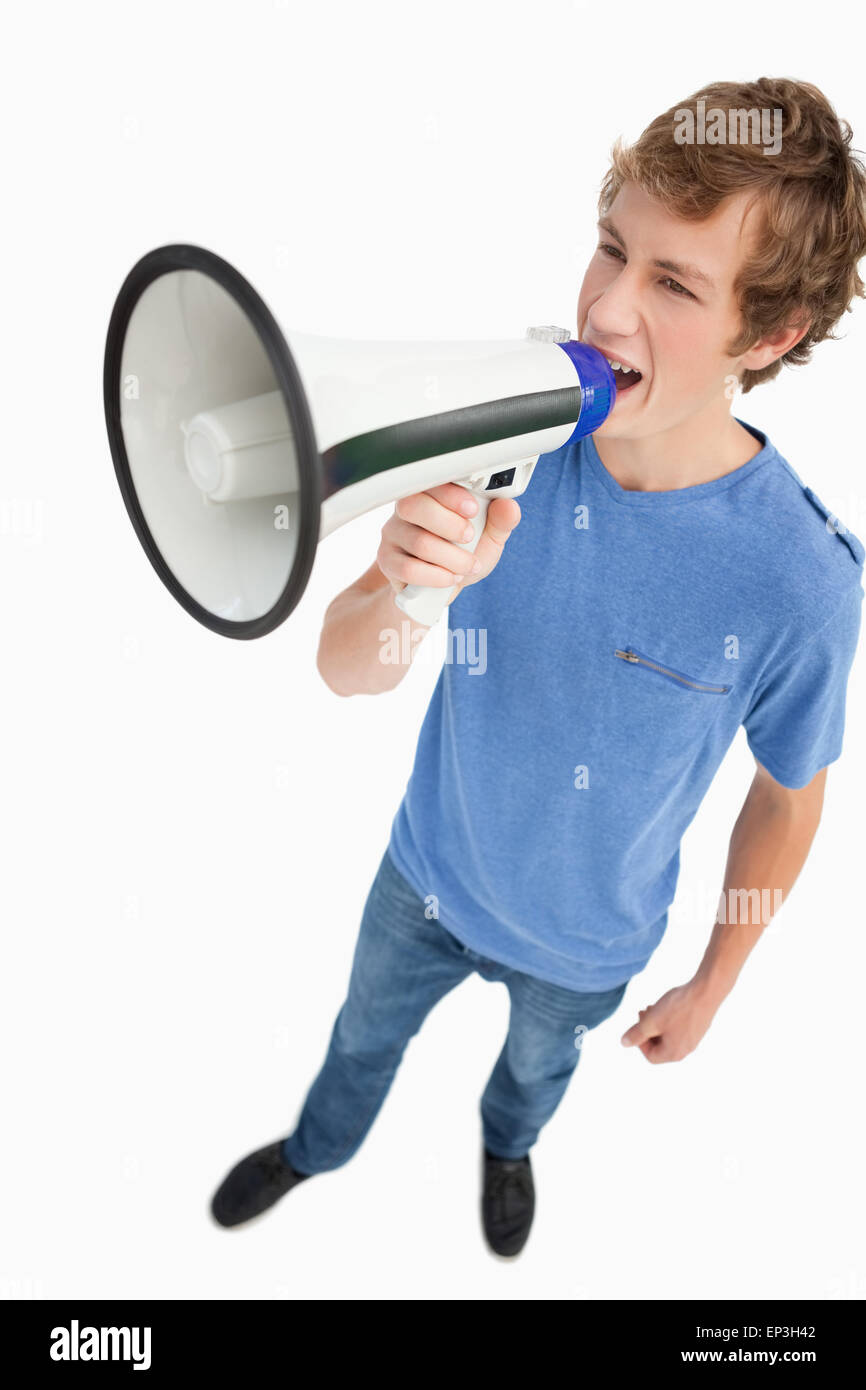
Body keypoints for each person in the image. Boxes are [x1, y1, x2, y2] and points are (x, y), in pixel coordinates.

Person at [211, 77, 866, 1257]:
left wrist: (712, 981)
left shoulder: (801, 580)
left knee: (530, 1081)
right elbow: (347, 670)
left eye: (672, 284)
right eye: (611, 249)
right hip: (420, 881)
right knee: (359, 1042)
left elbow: (789, 794)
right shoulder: (500, 426)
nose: (606, 310)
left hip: (586, 951)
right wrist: (407, 587)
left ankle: (504, 1151)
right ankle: (316, 1147)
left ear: (766, 338)